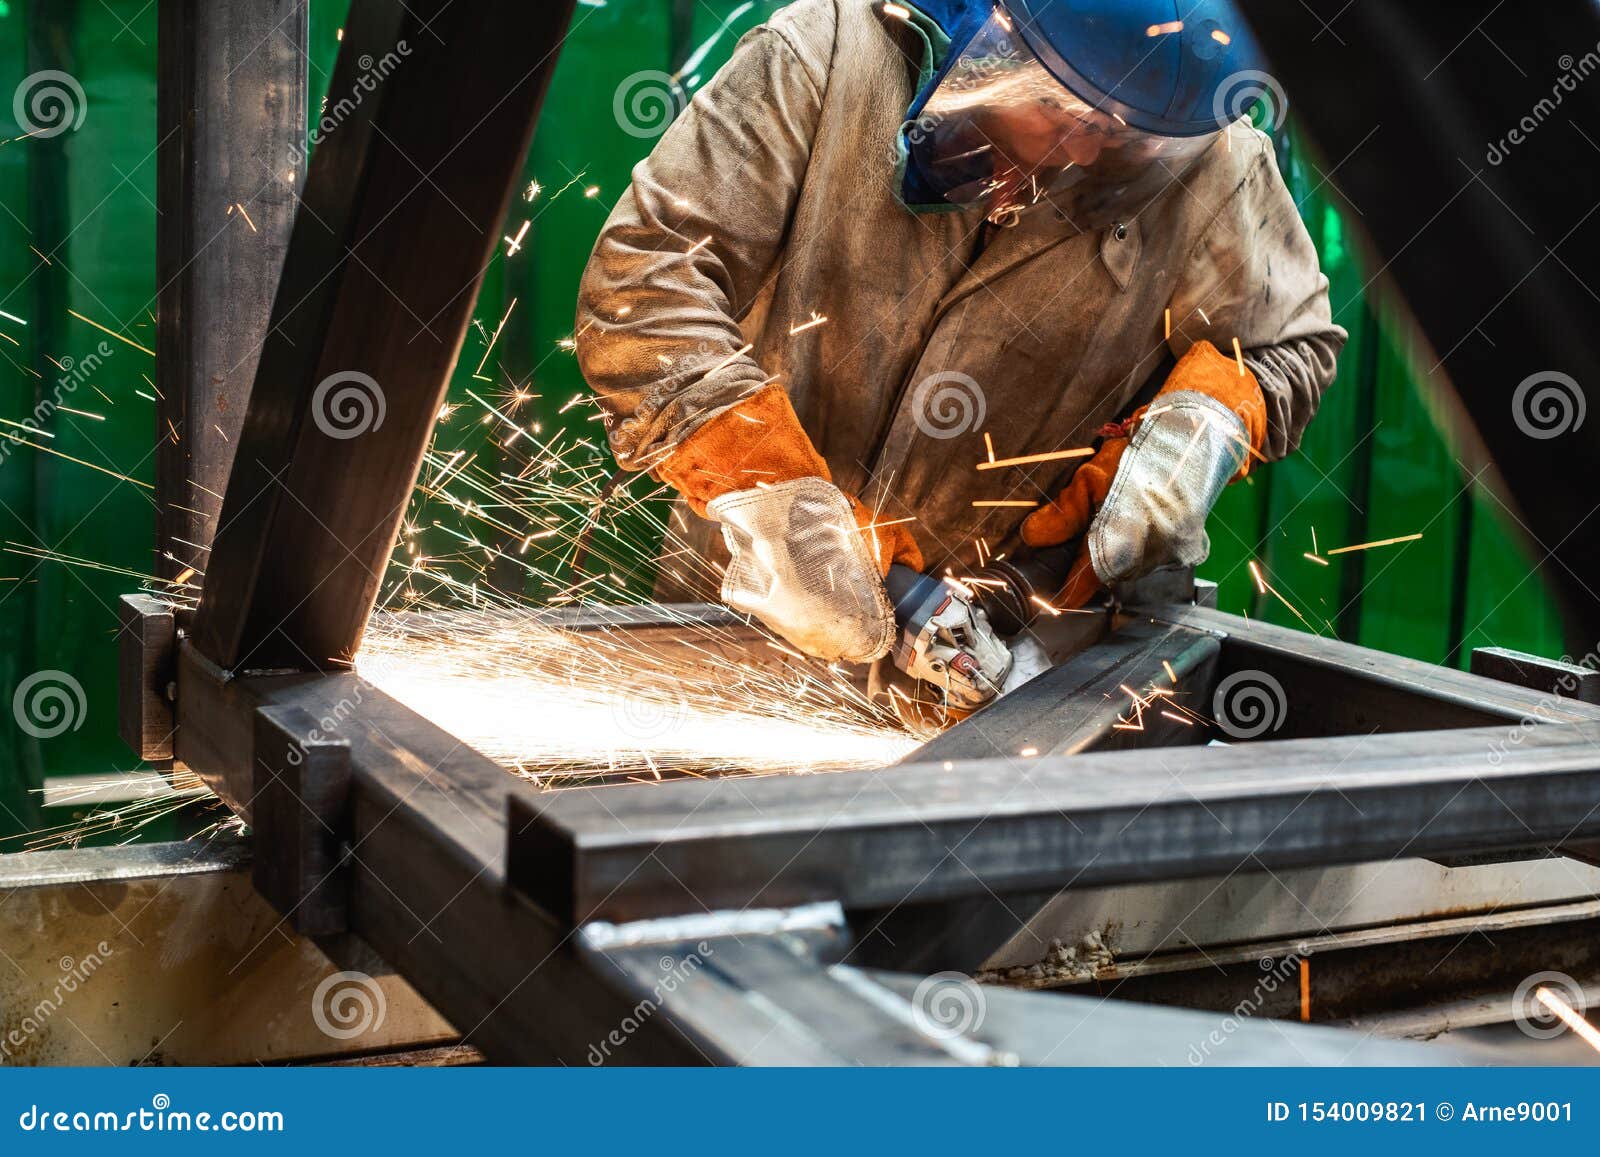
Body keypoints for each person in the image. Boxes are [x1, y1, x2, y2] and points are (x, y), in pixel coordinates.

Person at [576, 0, 1343, 666]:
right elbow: (645, 282)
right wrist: (771, 496)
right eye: (1064, 112)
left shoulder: (1211, 165)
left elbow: (1290, 349)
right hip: (742, 621)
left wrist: (1201, 429)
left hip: (1013, 659)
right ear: (990, 35)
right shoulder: (828, 58)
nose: (1081, 151)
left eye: (1118, 134)